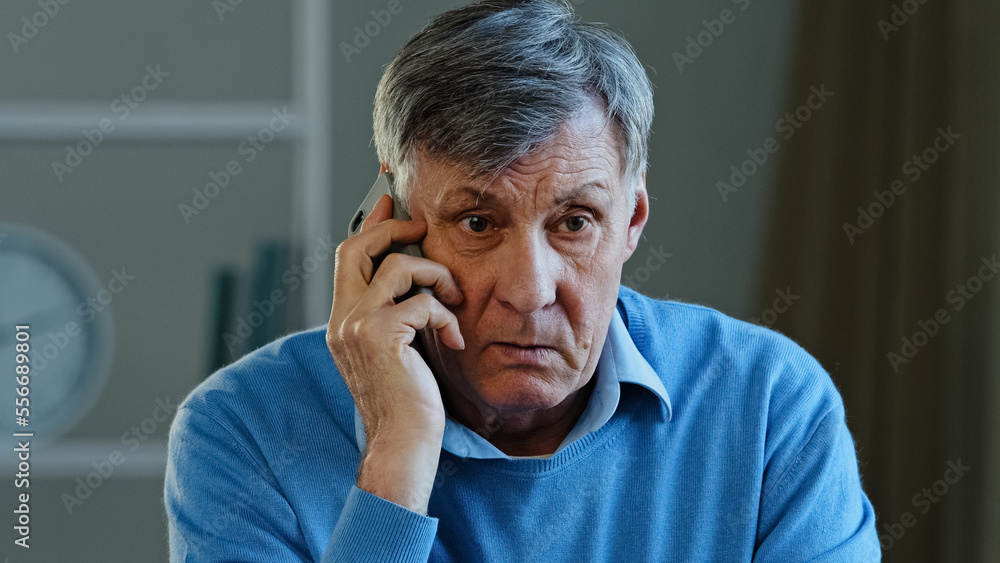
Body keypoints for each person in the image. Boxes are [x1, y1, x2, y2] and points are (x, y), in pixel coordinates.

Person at [165, 1, 880, 561]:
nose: (531, 290)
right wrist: (398, 454)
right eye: (477, 223)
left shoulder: (770, 407)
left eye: (574, 223)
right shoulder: (243, 429)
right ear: (391, 226)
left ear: (631, 220)